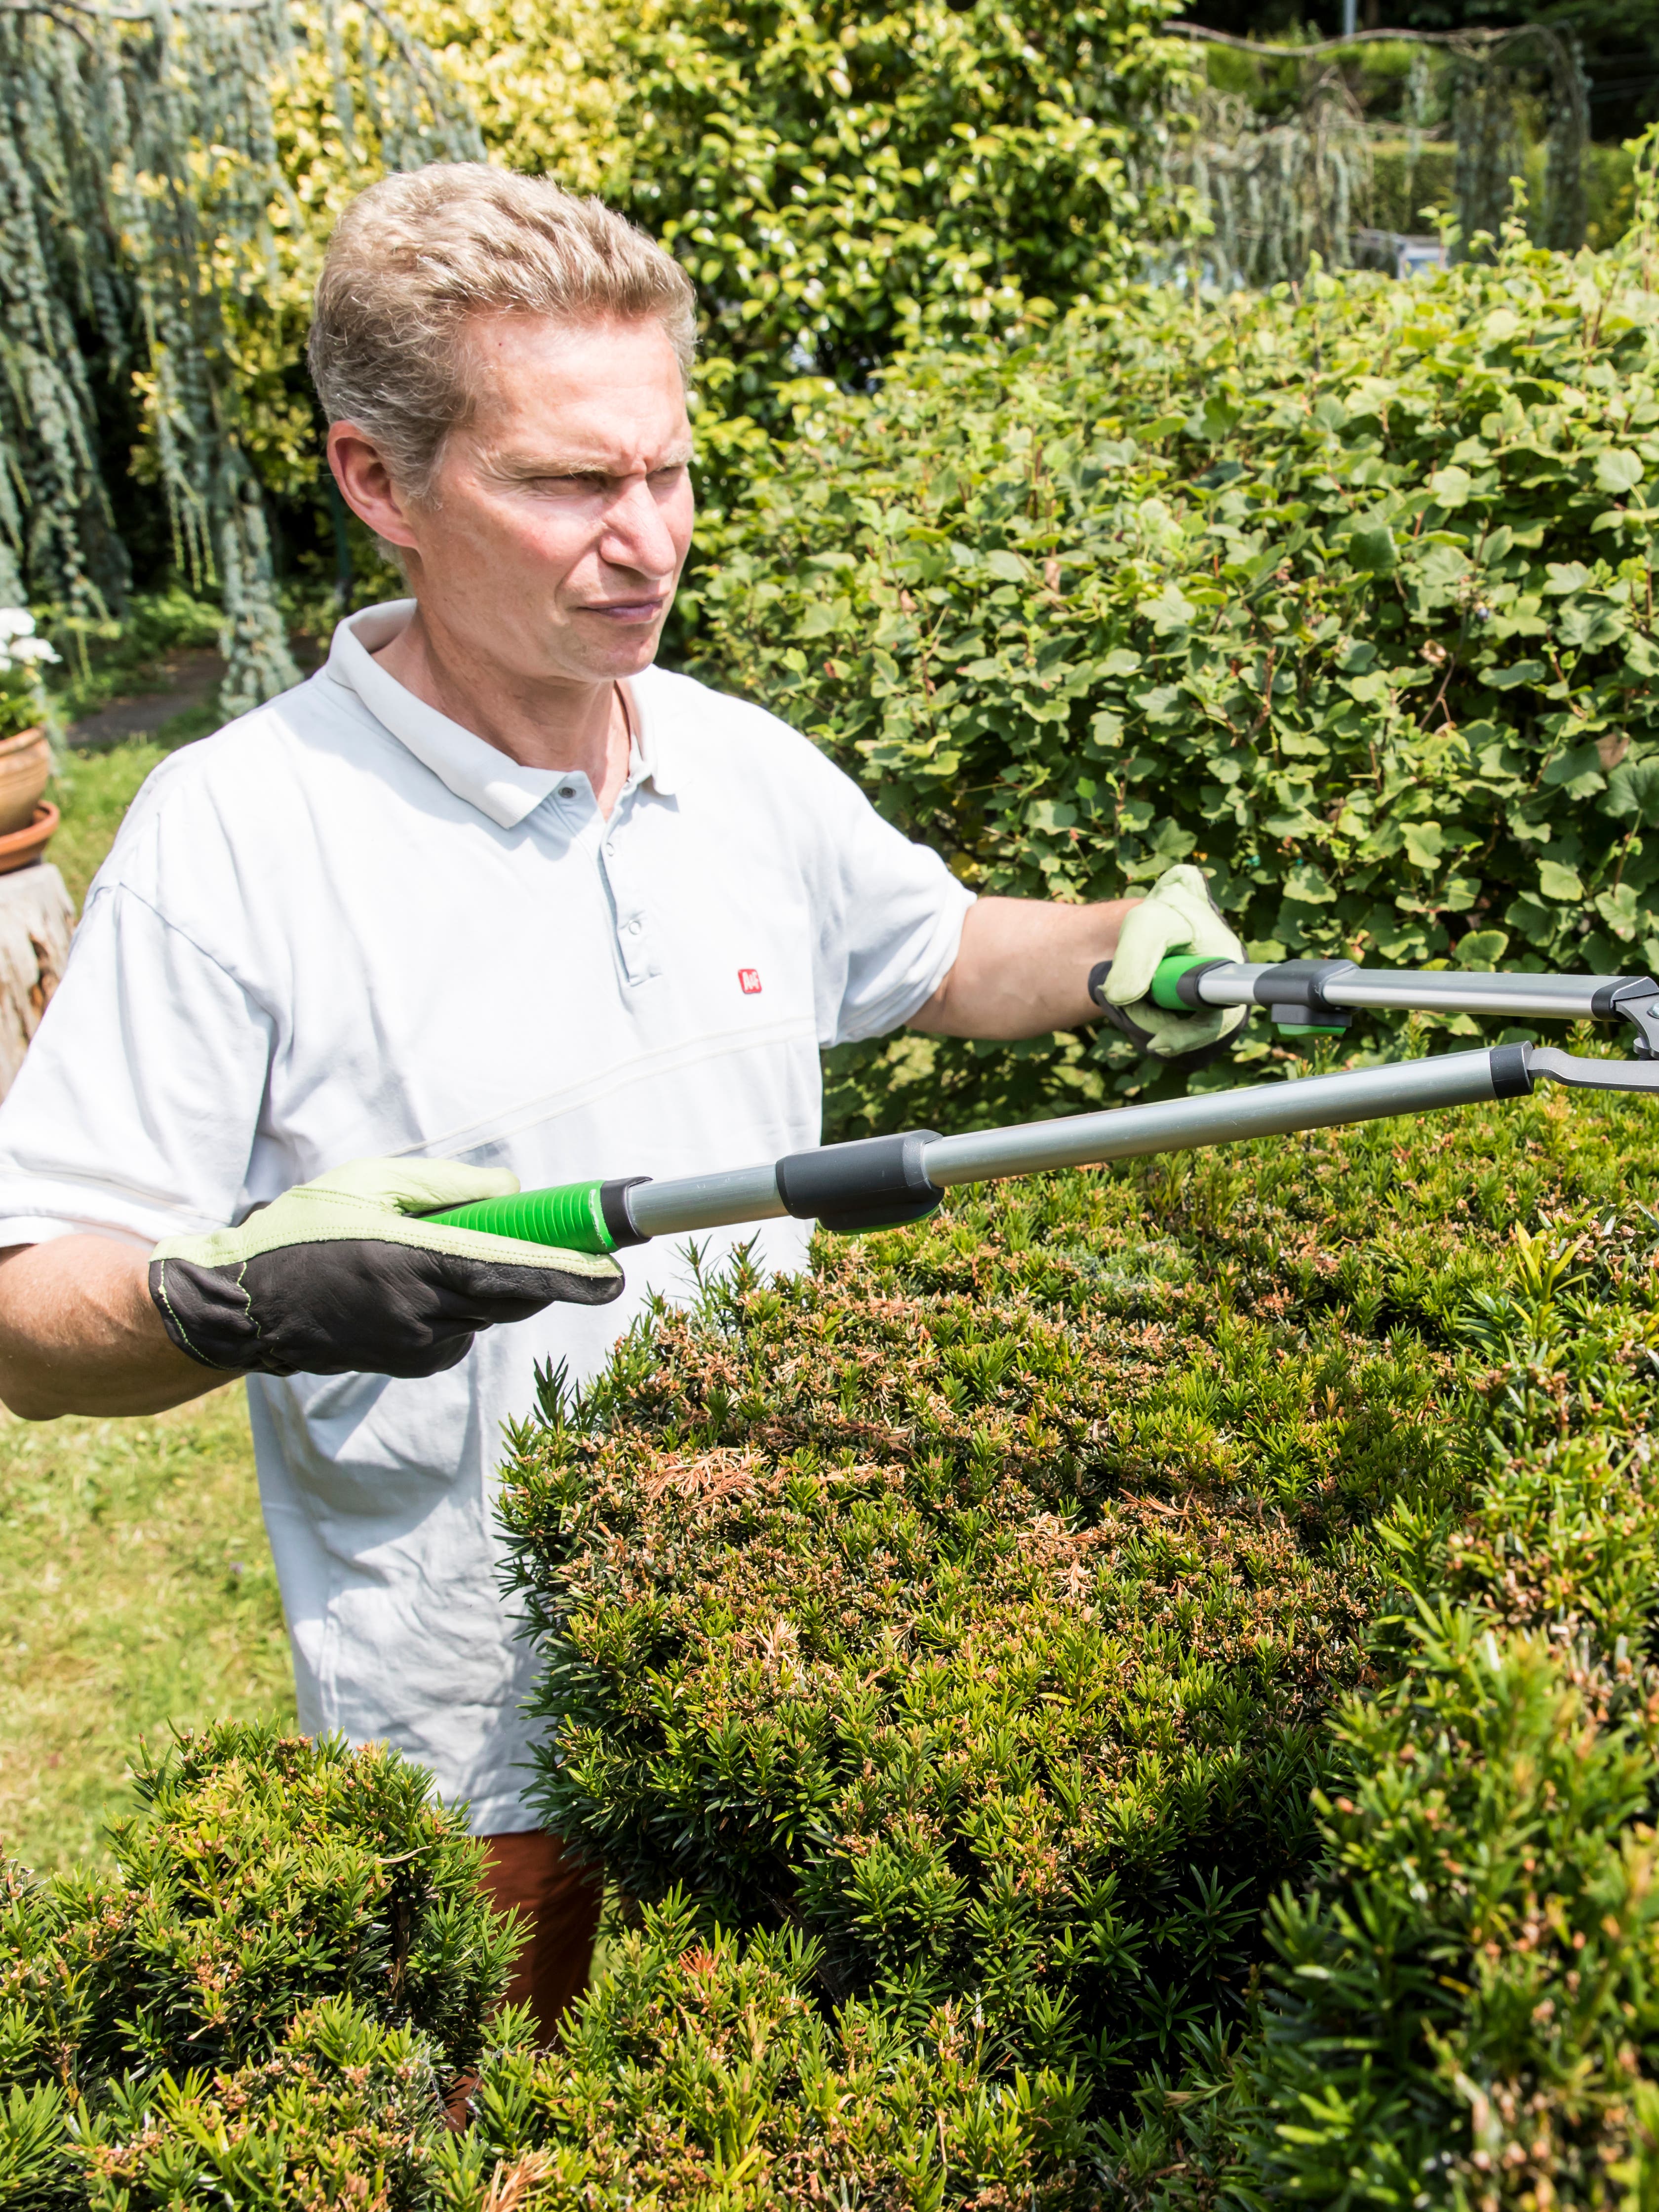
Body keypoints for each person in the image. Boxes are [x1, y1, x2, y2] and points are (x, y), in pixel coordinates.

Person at [0, 165, 1244, 2036]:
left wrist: (1122, 944)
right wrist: (225, 1300)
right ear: (379, 483)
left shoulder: (735, 763)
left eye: (666, 470)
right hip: (477, 1734)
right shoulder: (239, 834)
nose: (647, 537)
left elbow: (934, 951)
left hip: (805, 1633)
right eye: (571, 484)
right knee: (519, 2124)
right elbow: (30, 1306)